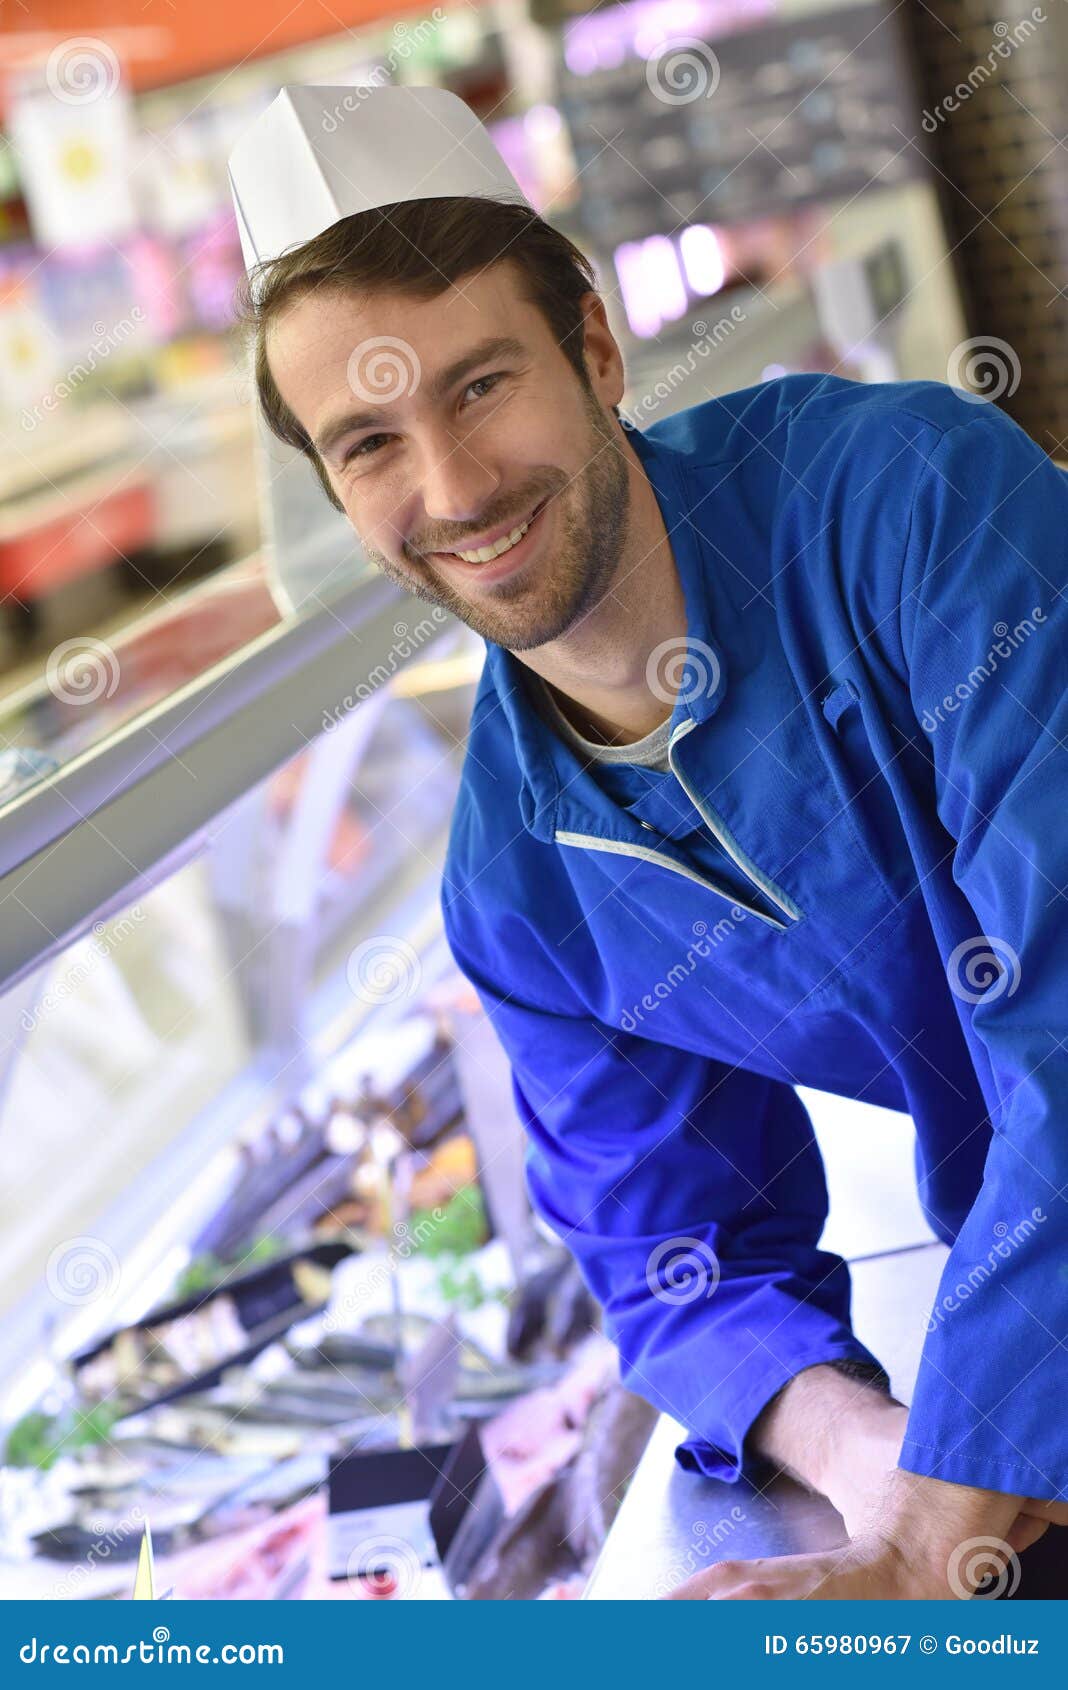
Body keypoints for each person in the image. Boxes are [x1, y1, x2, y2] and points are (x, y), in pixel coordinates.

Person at [232, 85, 1068, 1599]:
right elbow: (681, 1263)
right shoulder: (515, 883)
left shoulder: (912, 502)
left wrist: (935, 1526)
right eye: (369, 443)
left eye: (483, 384)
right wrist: (871, 1452)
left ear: (598, 351)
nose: (453, 488)